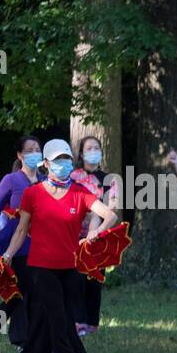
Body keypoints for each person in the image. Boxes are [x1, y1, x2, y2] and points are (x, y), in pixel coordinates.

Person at [0, 139, 118, 353]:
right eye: (57, 160)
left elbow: (110, 214)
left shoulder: (80, 192)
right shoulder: (33, 194)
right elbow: (22, 230)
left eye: (66, 159)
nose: (63, 164)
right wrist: (9, 254)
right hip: (41, 268)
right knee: (59, 318)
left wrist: (96, 233)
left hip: (70, 268)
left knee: (46, 319)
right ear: (46, 164)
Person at [0, 135, 43, 353]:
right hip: (19, 247)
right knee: (19, 296)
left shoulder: (45, 180)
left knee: (27, 297)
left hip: (43, 247)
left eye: (38, 149)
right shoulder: (12, 180)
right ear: (20, 155)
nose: (36, 153)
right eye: (30, 150)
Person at [71, 135, 118, 336]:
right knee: (77, 279)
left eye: (96, 147)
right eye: (89, 148)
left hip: (99, 238)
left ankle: (91, 324)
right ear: (81, 154)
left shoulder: (109, 179)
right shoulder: (72, 177)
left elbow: (113, 207)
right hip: (74, 237)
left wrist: (97, 230)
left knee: (95, 280)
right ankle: (77, 322)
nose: (93, 151)